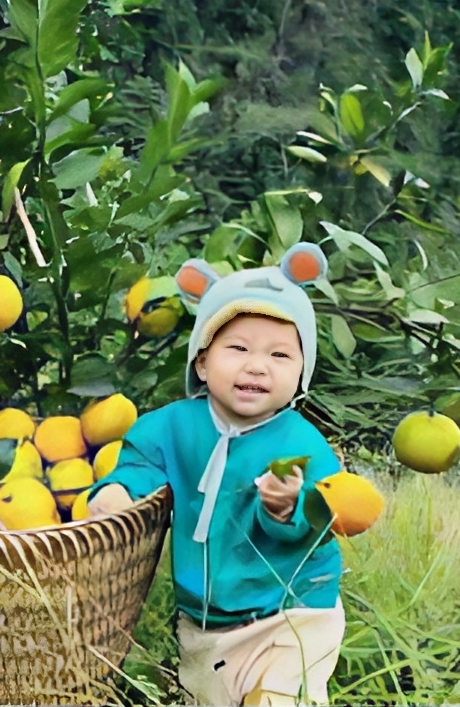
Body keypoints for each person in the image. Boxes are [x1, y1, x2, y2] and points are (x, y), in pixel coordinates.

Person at [88, 243, 345, 706]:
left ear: (303, 370)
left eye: (281, 356)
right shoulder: (174, 425)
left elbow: (325, 510)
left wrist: (289, 509)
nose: (257, 365)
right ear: (202, 362)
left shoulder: (301, 444)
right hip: (206, 619)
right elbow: (142, 461)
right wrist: (120, 491)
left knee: (278, 699)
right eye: (238, 348)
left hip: (293, 608)